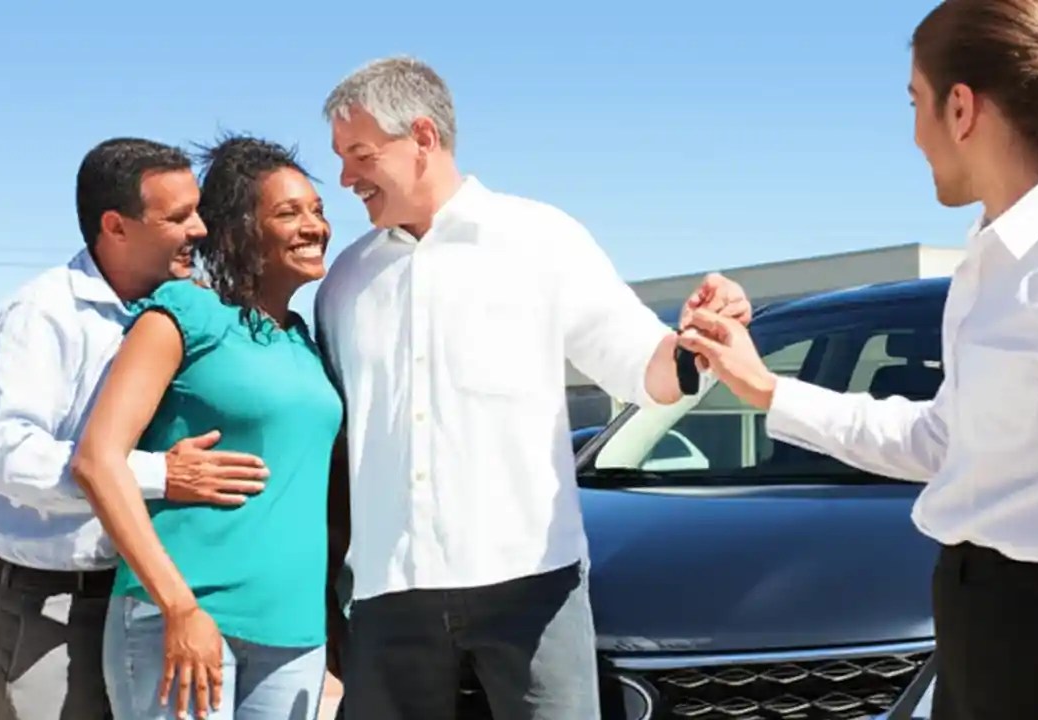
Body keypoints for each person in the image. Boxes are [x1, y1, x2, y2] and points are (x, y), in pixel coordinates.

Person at [677, 1, 1038, 718]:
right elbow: (943, 443)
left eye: (914, 102)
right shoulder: (991, 262)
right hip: (982, 634)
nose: (914, 133)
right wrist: (764, 389)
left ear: (960, 108)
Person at [315, 56, 751, 720]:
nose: (345, 177)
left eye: (360, 154)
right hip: (387, 595)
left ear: (424, 139)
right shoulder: (344, 283)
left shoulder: (541, 239)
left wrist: (697, 342)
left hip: (531, 590)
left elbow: (639, 363)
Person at [0, 137, 270, 720]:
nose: (200, 230)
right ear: (116, 226)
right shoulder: (44, 315)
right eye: (178, 216)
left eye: (198, 211)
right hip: (53, 608)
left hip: (146, 599)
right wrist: (163, 474)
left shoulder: (184, 311)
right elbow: (7, 456)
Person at [68, 135, 343, 720]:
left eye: (317, 210)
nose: (314, 226)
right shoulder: (186, 314)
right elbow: (97, 460)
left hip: (294, 635)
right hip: (187, 619)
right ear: (240, 228)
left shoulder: (306, 341)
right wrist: (179, 608)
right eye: (289, 212)